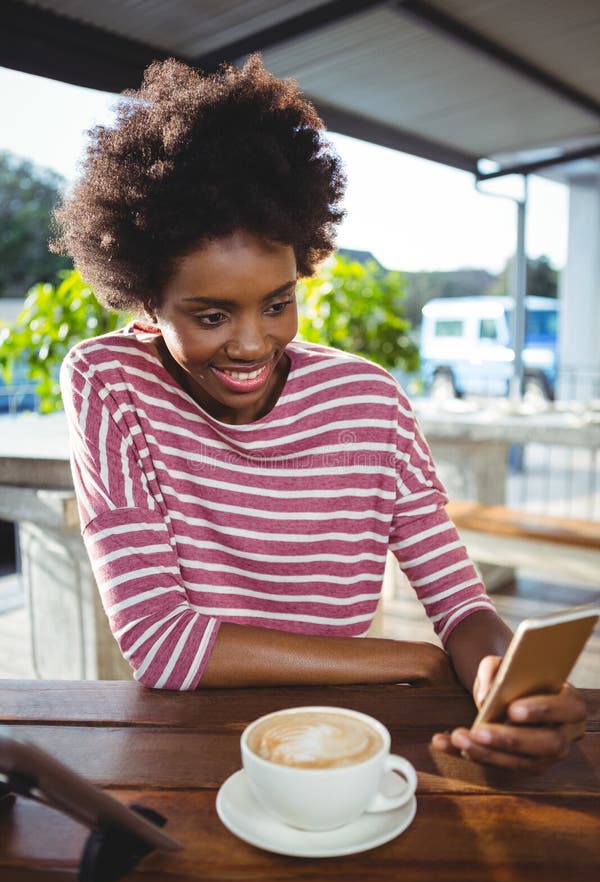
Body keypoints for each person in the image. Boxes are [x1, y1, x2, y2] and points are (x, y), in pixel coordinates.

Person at [54, 55, 585, 771]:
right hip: (188, 746)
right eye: (211, 315)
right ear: (147, 301)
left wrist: (503, 681)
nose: (251, 344)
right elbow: (160, 642)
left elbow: (462, 608)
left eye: (278, 303)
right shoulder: (110, 383)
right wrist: (411, 663)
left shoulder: (371, 402)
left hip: (345, 738)